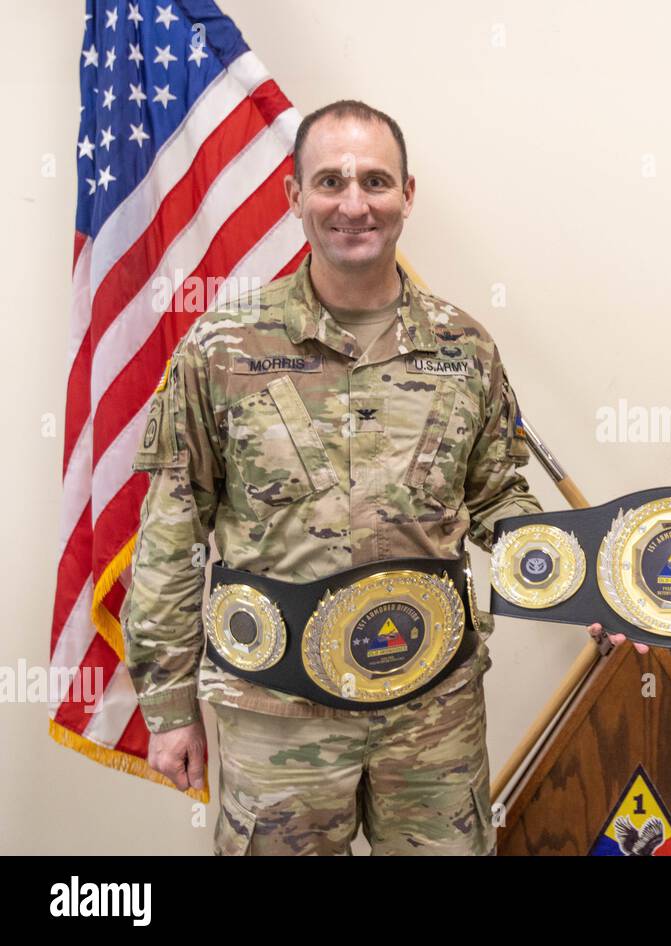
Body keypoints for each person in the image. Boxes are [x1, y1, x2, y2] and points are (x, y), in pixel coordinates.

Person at [123, 99, 579, 854]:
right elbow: (171, 533)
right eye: (330, 181)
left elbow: (500, 495)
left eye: (375, 181)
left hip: (431, 717)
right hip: (276, 717)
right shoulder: (222, 348)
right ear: (294, 197)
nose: (354, 204)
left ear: (408, 195)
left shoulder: (465, 347)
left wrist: (581, 577)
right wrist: (169, 704)